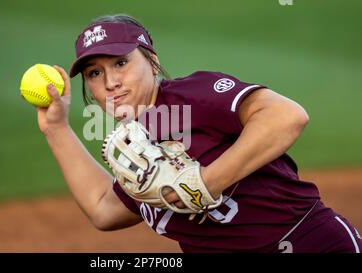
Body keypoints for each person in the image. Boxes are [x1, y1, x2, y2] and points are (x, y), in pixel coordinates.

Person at [36, 14, 362, 252]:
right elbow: (103, 210)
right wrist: (56, 128)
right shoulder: (136, 150)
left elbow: (287, 116)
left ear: (152, 61)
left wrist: (204, 183)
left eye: (120, 63)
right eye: (95, 73)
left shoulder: (192, 95)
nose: (110, 83)